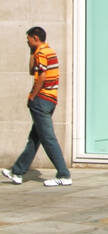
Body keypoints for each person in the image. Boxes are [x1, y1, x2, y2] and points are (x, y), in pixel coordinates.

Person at [2, 27, 72, 187]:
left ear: (35, 37)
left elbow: (41, 76)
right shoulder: (49, 51)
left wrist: (32, 96)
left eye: (29, 39)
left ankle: (64, 174)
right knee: (35, 138)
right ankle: (17, 172)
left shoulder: (41, 53)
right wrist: (31, 52)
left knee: (48, 139)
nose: (27, 42)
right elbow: (31, 71)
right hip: (51, 99)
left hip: (41, 100)